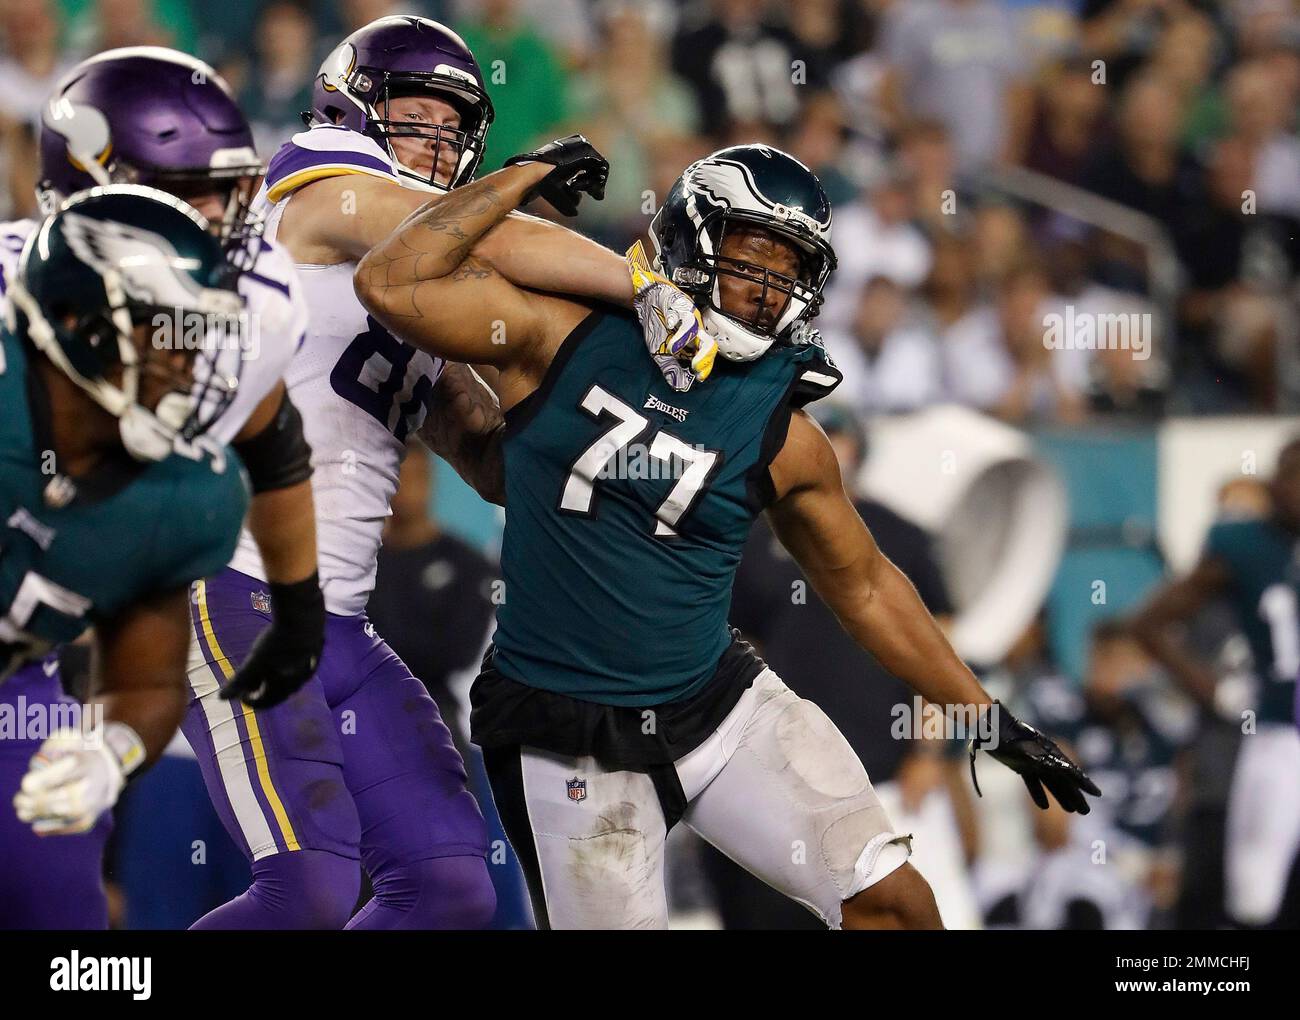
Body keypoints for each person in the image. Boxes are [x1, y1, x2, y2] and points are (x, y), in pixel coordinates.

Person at [354, 140, 1100, 929]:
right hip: (567, 730)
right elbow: (390, 280)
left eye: (789, 271)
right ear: (692, 239)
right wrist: (522, 177)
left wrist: (984, 714)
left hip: (718, 706)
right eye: (752, 258)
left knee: (898, 906)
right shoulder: (563, 332)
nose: (768, 290)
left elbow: (867, 587)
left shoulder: (786, 430)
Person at [185, 14, 710, 930]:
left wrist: (623, 439)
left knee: (450, 889)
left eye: (451, 128)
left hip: (339, 622)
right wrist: (645, 284)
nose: (433, 143)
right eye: (415, 117)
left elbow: (491, 458)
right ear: (352, 107)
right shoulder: (316, 183)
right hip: (233, 588)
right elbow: (479, 239)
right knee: (306, 886)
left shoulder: (413, 287)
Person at [0, 188, 258, 927]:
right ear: (77, 320)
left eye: (198, 335)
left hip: (15, 695)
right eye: (165, 332)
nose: (187, 363)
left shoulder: (186, 495)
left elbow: (145, 680)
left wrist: (109, 750)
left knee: (62, 914)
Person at [1132, 438, 1300, 928]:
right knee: (1250, 896)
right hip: (1269, 737)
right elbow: (1149, 623)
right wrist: (1211, 689)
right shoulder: (1243, 548)